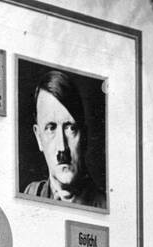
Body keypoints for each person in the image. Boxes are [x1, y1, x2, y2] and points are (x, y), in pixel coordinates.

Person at [22, 68, 106, 207]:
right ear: (39, 138)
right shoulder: (30, 195)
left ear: (84, 137)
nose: (62, 148)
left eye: (71, 128)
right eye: (51, 128)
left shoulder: (105, 205)